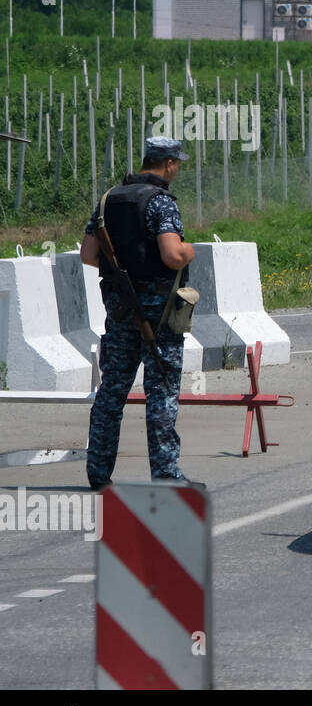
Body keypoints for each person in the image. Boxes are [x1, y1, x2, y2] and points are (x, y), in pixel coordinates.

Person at [79, 137, 201, 490]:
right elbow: (172, 255)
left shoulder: (108, 199)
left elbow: (89, 254)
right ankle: (166, 475)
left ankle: (98, 474)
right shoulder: (160, 203)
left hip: (120, 312)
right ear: (169, 164)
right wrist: (189, 250)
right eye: (177, 164)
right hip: (158, 315)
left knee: (112, 391)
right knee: (161, 391)